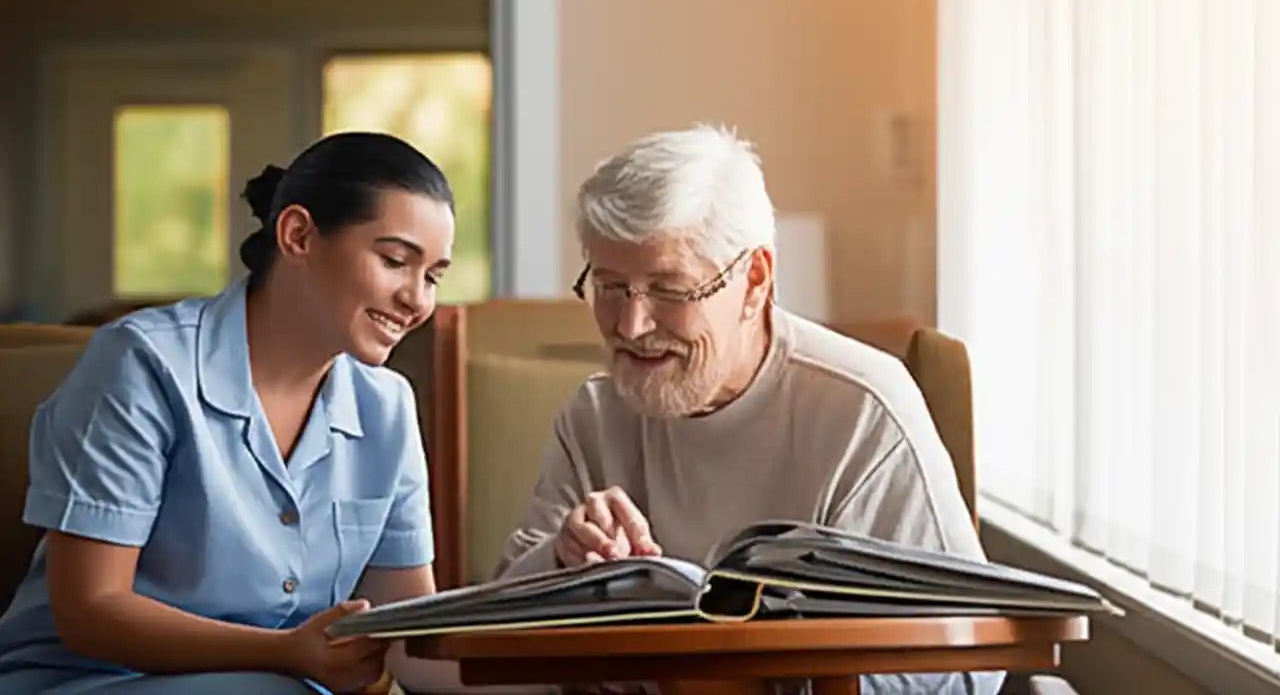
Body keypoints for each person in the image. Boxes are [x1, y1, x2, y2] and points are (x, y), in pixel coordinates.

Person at [494, 125, 1005, 695]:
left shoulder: (864, 411)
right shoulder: (592, 417)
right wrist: (562, 562)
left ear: (755, 280)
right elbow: (492, 642)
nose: (631, 327)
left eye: (668, 289)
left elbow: (972, 662)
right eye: (611, 287)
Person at [0, 132, 465, 694]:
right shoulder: (144, 364)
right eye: (395, 261)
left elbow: (412, 643)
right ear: (298, 235)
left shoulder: (388, 407)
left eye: (434, 276)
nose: (417, 299)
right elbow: (91, 610)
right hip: (91, 682)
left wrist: (562, 676)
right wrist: (287, 653)